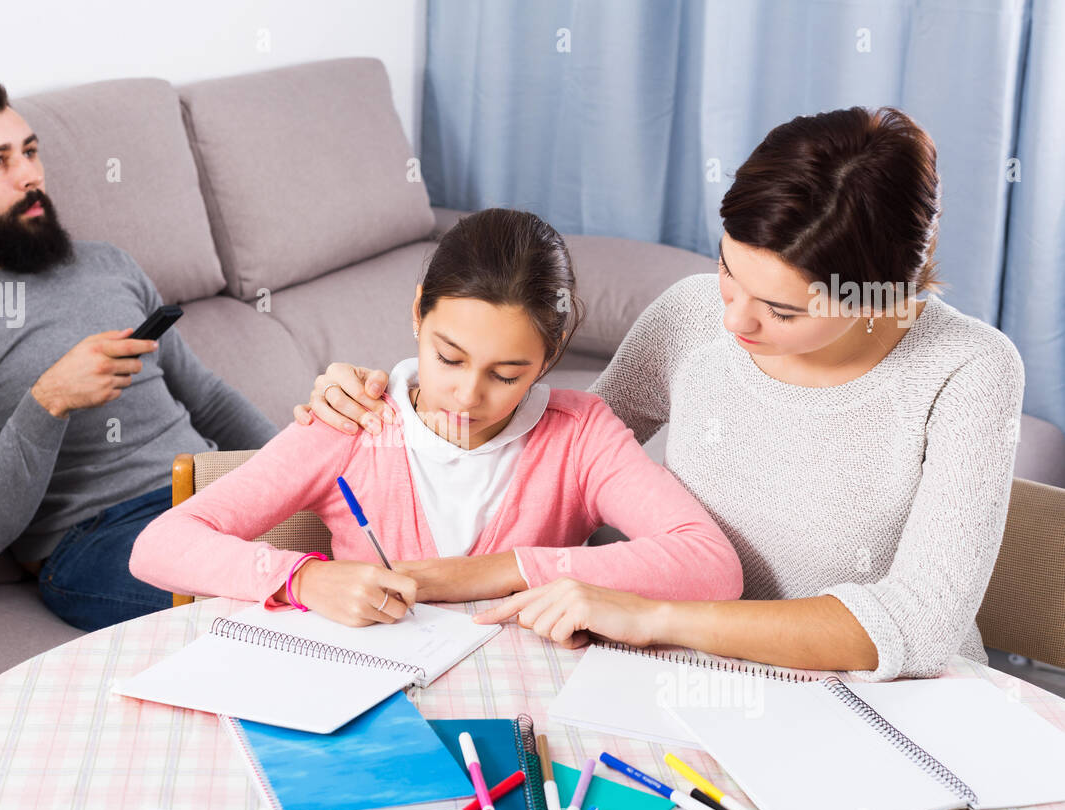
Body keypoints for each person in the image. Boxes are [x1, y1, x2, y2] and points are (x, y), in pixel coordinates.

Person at [297, 107, 1026, 680]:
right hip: (677, 681)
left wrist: (655, 617)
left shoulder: (966, 370)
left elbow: (921, 625)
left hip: (880, 697)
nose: (734, 318)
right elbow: (556, 462)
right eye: (728, 272)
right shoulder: (687, 315)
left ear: (881, 294)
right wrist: (393, 400)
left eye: (783, 312)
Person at [129, 209, 743, 625]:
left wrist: (502, 572)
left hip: (531, 714)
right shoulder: (352, 420)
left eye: (507, 375)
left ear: (550, 356)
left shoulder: (582, 435)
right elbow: (159, 545)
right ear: (419, 314)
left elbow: (712, 568)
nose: (467, 396)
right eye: (449, 358)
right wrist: (304, 582)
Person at [0, 78, 276, 631]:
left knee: (386, 544)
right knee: (290, 600)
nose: (30, 174)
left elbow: (204, 395)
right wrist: (49, 401)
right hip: (102, 537)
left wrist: (296, 467)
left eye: (30, 151)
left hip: (217, 490)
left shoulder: (106, 265)